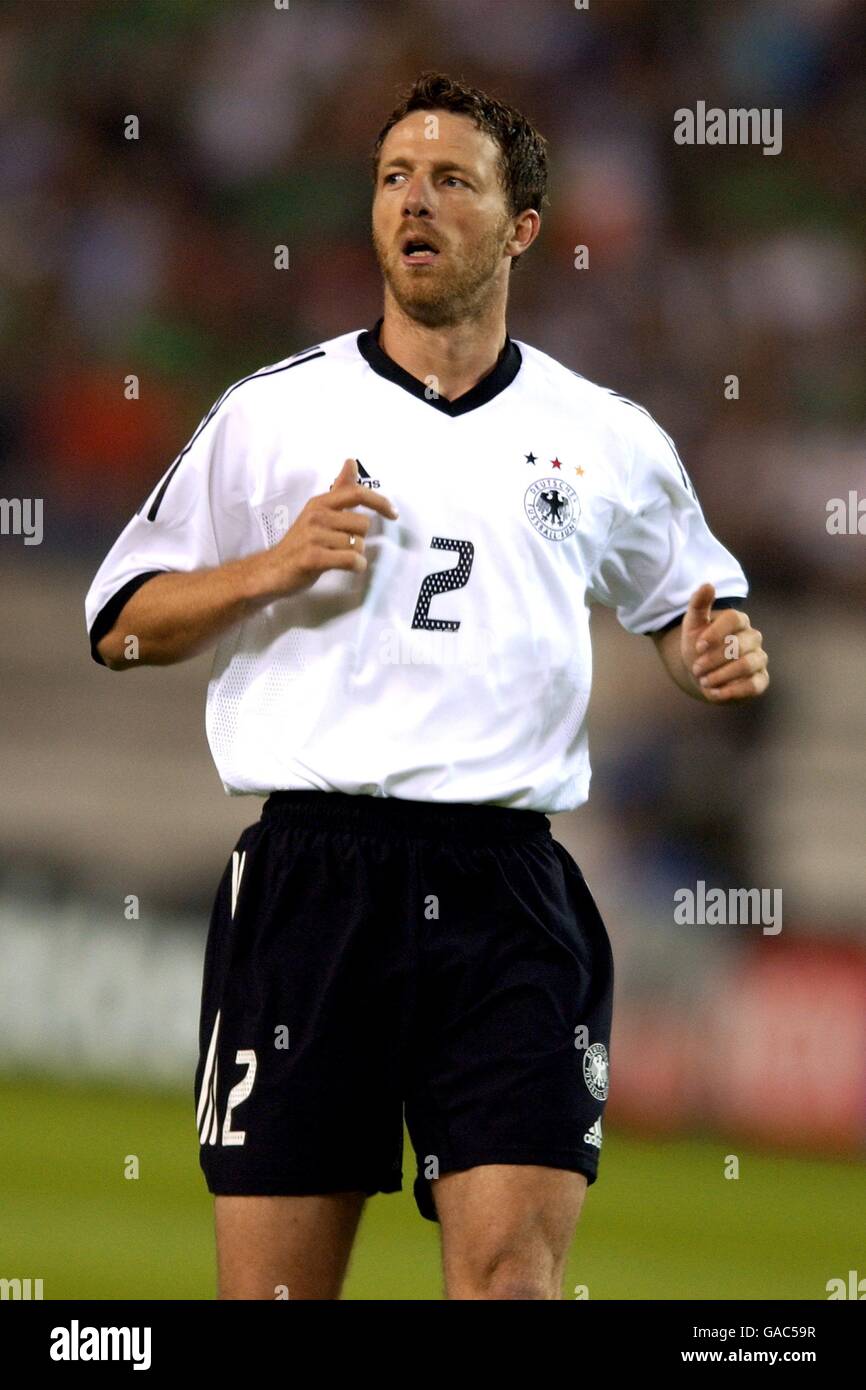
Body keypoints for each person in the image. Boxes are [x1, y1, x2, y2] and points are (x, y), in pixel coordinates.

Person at [84, 71, 769, 1301]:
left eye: (452, 179)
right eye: (395, 176)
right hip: (312, 886)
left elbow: (681, 609)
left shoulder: (604, 436)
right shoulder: (273, 413)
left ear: (519, 228)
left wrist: (707, 652)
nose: (414, 199)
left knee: (509, 1284)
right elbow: (119, 625)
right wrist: (270, 567)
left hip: (507, 891)